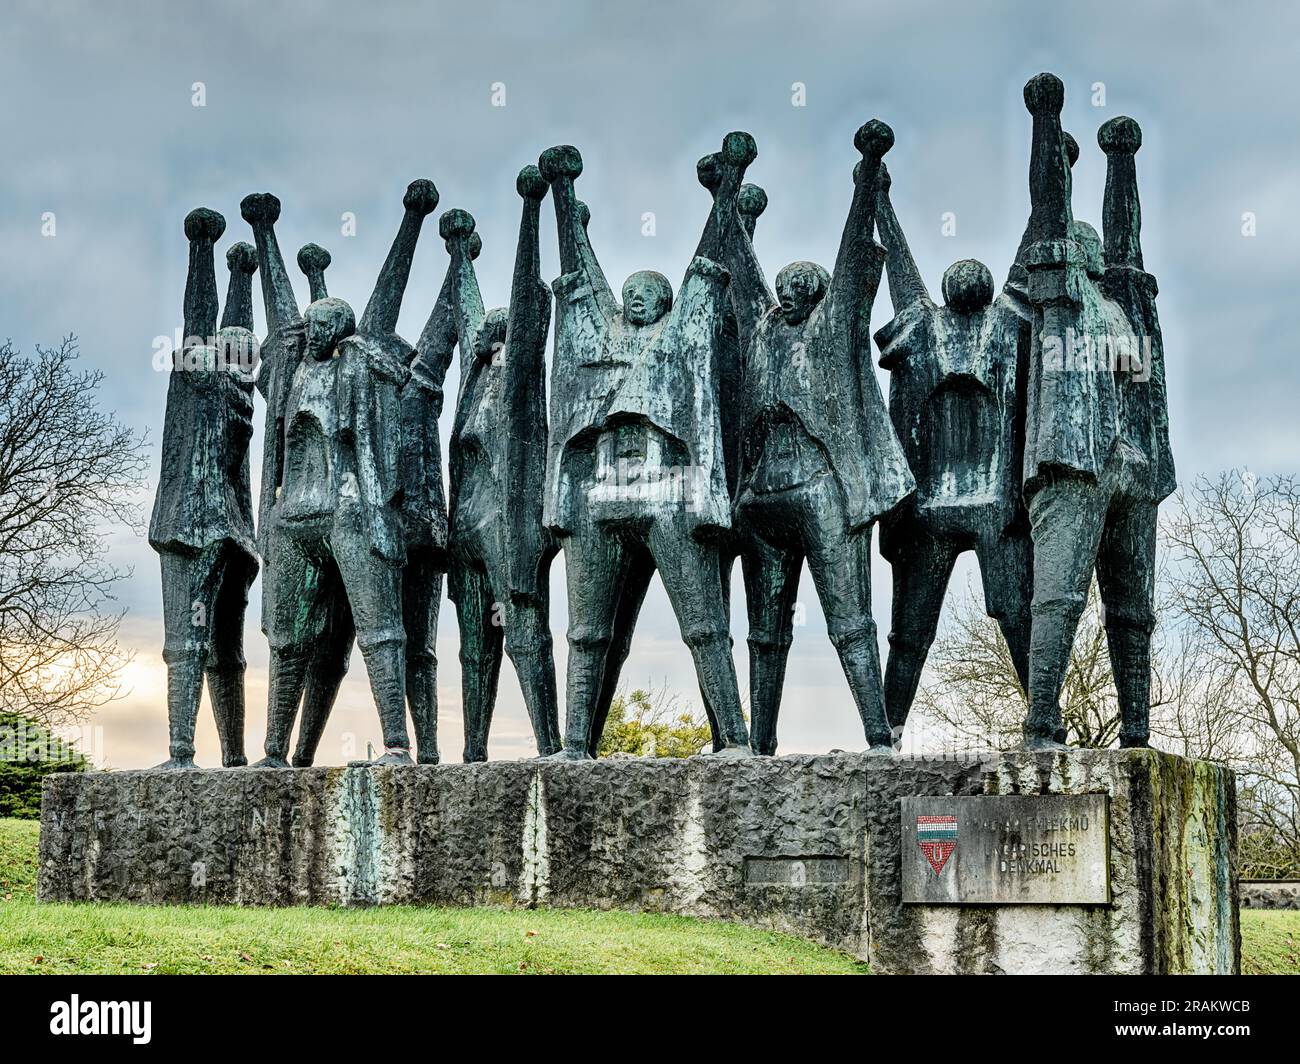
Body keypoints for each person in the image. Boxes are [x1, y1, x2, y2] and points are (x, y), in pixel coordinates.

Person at [540, 134, 758, 761]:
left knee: (704, 625)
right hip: (601, 501)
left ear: (667, 305)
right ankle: (575, 745)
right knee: (586, 633)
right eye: (629, 291)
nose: (636, 297)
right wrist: (565, 196)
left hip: (670, 493)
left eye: (649, 291)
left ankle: (734, 740)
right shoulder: (596, 342)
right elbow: (579, 279)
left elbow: (702, 273)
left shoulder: (681, 338)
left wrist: (728, 189)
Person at [720, 120, 913, 756]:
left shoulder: (833, 328)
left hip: (824, 489)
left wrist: (866, 180)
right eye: (785, 284)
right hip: (763, 497)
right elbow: (740, 274)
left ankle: (878, 736)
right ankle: (758, 743)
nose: (789, 288)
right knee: (764, 631)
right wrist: (727, 195)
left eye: (805, 283)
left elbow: (856, 255)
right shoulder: (760, 334)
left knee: (849, 620)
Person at [1016, 74, 1174, 749]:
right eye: (1078, 242)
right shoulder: (1059, 296)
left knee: (1133, 610)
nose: (1090, 246)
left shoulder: (1121, 305)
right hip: (1070, 464)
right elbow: (1051, 210)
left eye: (1092, 243)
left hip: (1131, 467)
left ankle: (1137, 730)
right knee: (1058, 597)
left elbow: (1128, 240)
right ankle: (1042, 721)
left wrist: (1122, 162)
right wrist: (1048, 121)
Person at [873, 159, 1034, 739]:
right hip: (939, 509)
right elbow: (899, 269)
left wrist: (878, 193)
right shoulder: (934, 325)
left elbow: (1027, 253)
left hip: (986, 507)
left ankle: (1043, 717)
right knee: (912, 628)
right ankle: (887, 728)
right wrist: (879, 199)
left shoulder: (1005, 326)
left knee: (1014, 615)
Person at [441, 167, 562, 761]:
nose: (487, 331)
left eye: (501, 326)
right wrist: (459, 254)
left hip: (508, 526)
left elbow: (523, 289)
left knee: (523, 632)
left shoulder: (520, 381)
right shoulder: (474, 379)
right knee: (474, 644)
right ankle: (473, 752)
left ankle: (550, 745)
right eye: (483, 331)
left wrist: (531, 210)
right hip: (464, 525)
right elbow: (468, 316)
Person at [149, 209, 258, 769]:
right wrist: (244, 275)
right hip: (237, 536)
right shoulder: (244, 394)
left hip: (191, 527)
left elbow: (196, 320)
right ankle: (235, 759)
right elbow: (230, 329)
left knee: (186, 644)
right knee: (227, 651)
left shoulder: (201, 379)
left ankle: (181, 753)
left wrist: (202, 248)